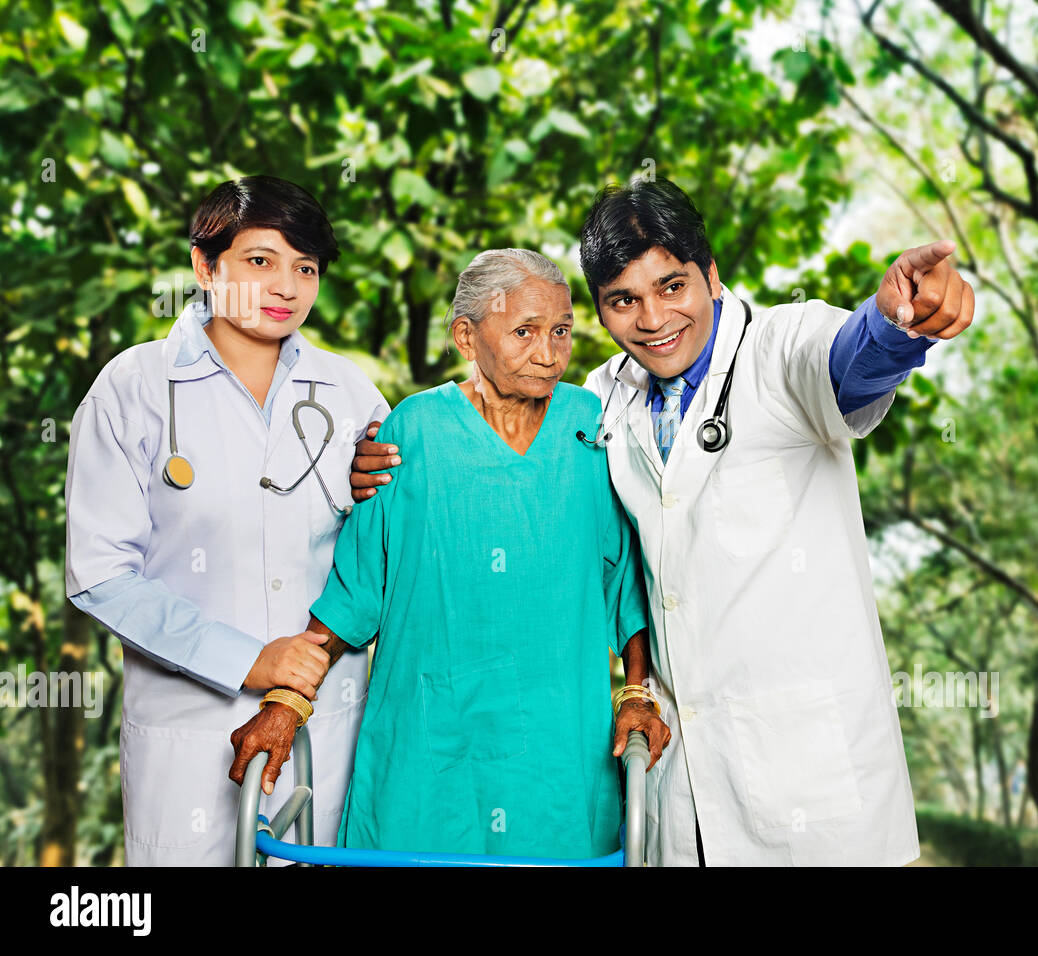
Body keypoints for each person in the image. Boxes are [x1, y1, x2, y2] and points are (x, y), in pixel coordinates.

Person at [352, 179, 976, 865]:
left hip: (806, 778)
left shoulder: (777, 350)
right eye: (623, 300)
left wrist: (896, 325)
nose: (652, 319)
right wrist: (387, 465)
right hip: (676, 779)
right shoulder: (598, 400)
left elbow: (845, 360)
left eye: (672, 287)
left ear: (711, 276)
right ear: (600, 310)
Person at [229, 249, 671, 860]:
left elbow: (627, 584)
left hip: (558, 752)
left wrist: (639, 693)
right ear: (467, 336)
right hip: (429, 745)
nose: (549, 353)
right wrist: (287, 702)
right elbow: (357, 588)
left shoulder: (592, 427)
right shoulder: (412, 430)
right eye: (524, 332)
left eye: (562, 331)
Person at [65, 175, 389, 866]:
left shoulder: (349, 391)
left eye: (306, 268)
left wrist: (377, 488)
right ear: (205, 266)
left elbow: (387, 545)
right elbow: (100, 574)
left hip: (326, 725)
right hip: (190, 733)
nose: (287, 286)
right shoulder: (133, 389)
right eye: (261, 261)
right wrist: (247, 660)